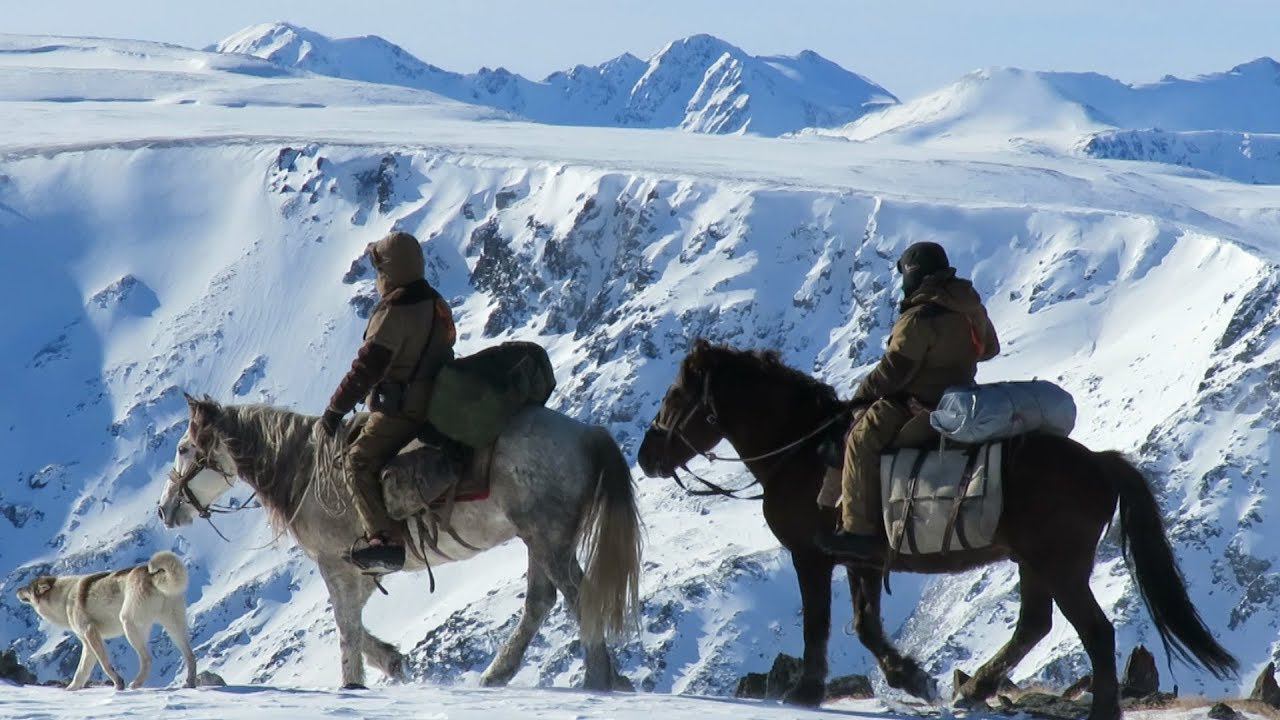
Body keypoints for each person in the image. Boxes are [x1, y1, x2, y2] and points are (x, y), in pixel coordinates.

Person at [819, 242, 999, 561]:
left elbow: (894, 370)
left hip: (918, 402)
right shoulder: (970, 306)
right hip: (961, 398)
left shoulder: (919, 316)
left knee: (860, 438)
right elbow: (989, 349)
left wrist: (859, 398)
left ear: (913, 274)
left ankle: (857, 530)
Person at [314, 231, 456, 573]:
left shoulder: (395, 311)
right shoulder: (438, 302)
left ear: (390, 271)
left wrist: (333, 411)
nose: (377, 279)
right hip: (437, 401)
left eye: (379, 271)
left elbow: (365, 369)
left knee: (356, 462)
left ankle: (384, 540)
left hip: (403, 409)